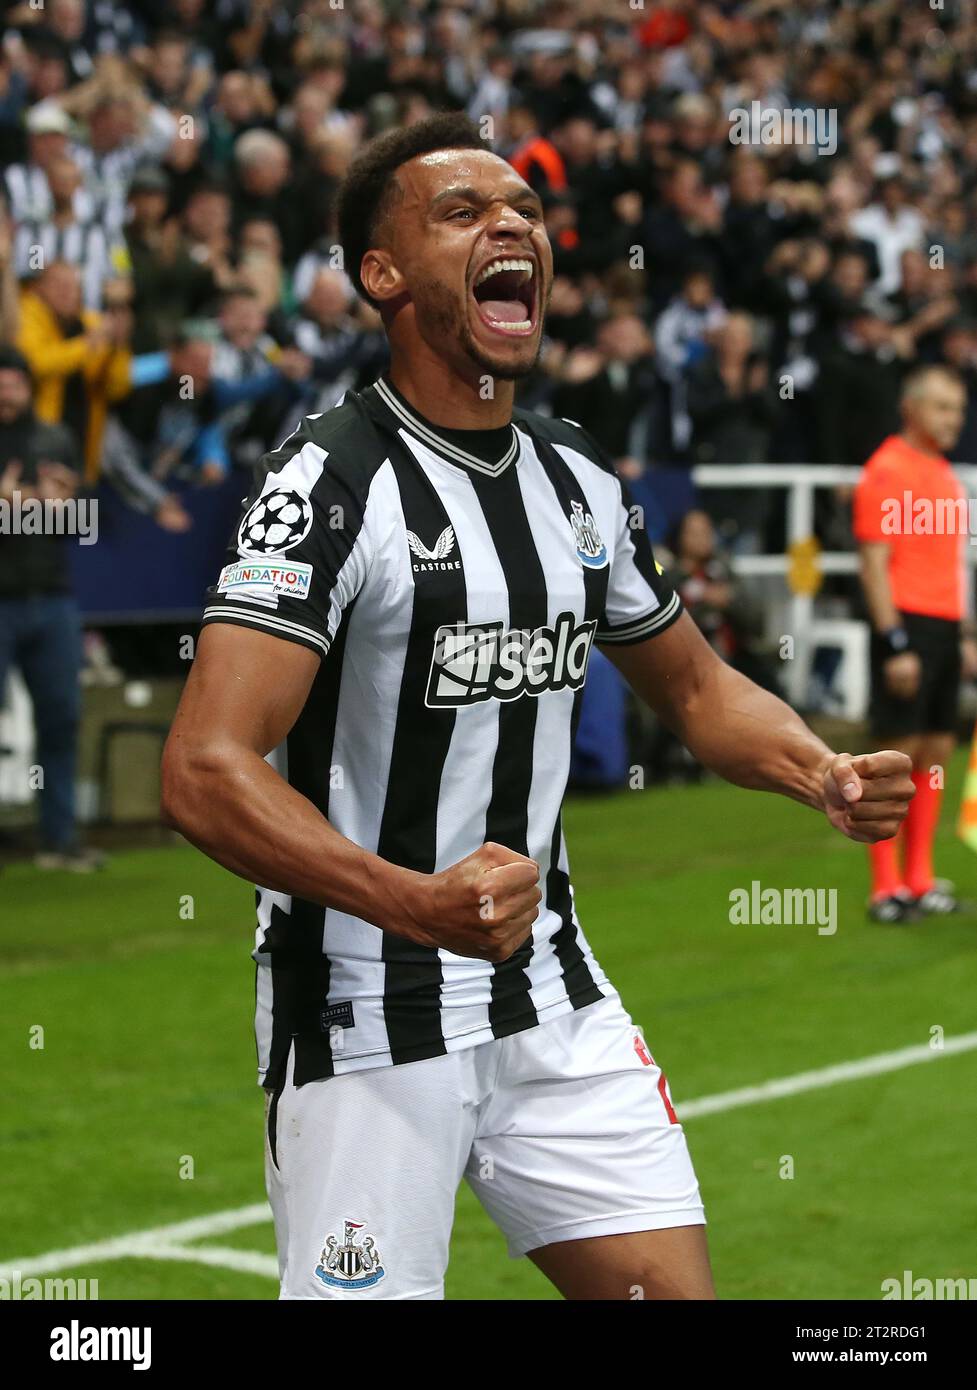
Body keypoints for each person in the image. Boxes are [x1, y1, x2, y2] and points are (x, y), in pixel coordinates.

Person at [161, 113, 914, 1302]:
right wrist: (411, 899)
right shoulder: (326, 484)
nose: (511, 225)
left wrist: (814, 767)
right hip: (366, 1008)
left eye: (522, 212)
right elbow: (204, 766)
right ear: (383, 273)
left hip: (550, 989)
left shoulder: (577, 479)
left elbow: (699, 688)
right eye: (462, 212)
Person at [854, 364, 977, 922]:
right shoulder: (885, 470)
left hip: (945, 628)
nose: (954, 419)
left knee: (934, 755)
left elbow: (952, 565)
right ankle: (886, 889)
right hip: (907, 626)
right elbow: (874, 566)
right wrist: (895, 640)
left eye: (957, 408)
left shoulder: (945, 474)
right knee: (891, 762)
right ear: (913, 409)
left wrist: (965, 634)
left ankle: (920, 879)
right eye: (943, 407)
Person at [0, 346, 102, 871]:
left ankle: (58, 839)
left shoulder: (53, 438)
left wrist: (39, 507)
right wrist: (22, 506)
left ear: (27, 386)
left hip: (53, 596)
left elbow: (82, 523)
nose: (6, 390)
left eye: (13, 381)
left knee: (62, 717)